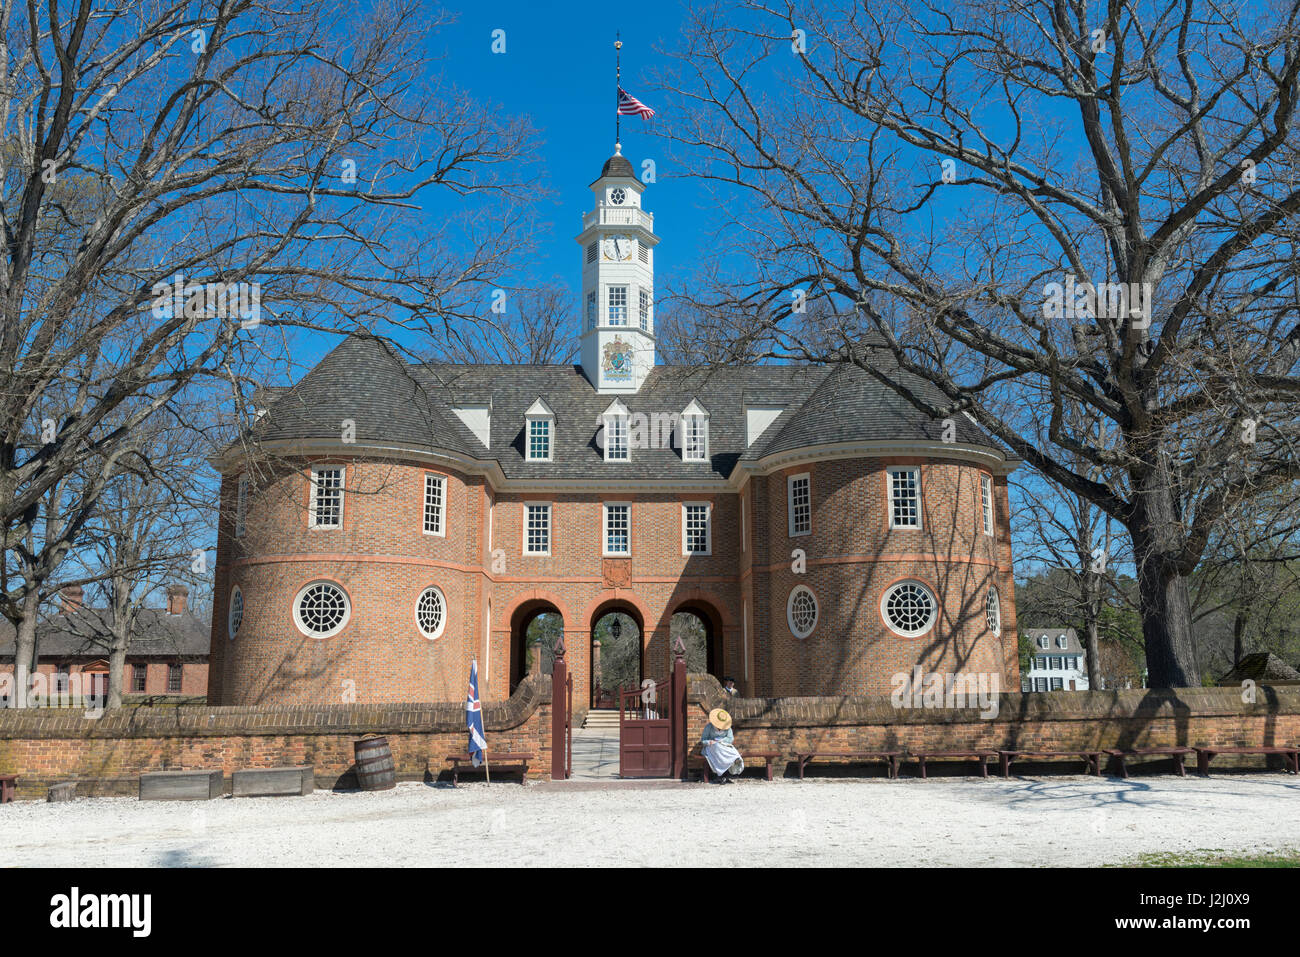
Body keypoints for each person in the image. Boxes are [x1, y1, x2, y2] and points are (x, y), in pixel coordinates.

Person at [701, 708, 744, 783]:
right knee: (717, 748)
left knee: (730, 749)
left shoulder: (728, 728)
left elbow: (730, 739)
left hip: (724, 746)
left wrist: (721, 741)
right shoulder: (709, 727)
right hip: (712, 747)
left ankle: (736, 758)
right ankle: (722, 774)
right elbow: (703, 740)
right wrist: (709, 742)